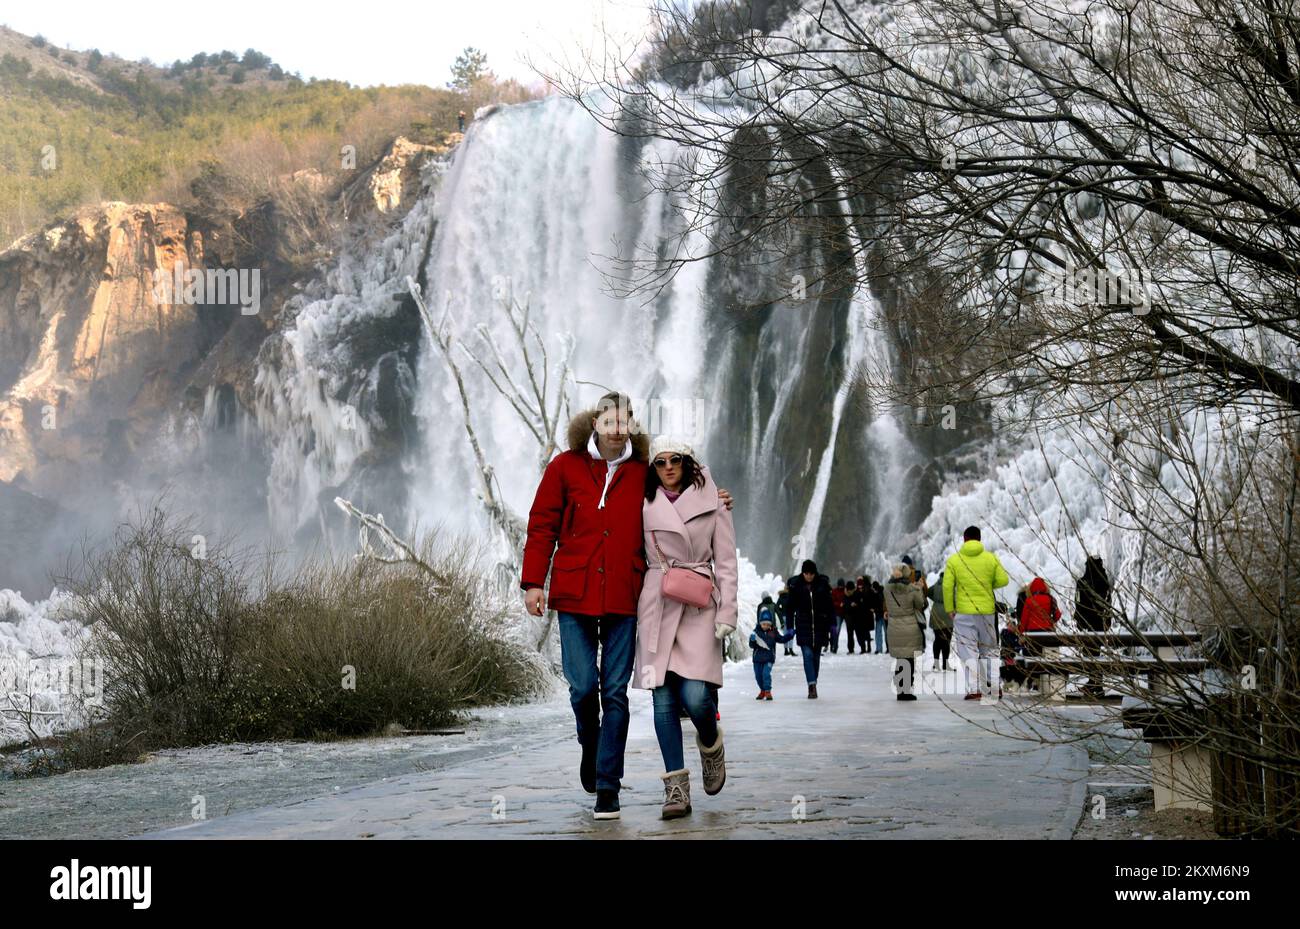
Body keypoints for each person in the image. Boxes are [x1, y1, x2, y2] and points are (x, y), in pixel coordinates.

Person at [521, 393, 732, 821]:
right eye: (609, 421)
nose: (617, 429)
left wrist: (716, 495)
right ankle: (591, 744)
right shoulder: (565, 466)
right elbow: (542, 523)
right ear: (594, 423)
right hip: (575, 593)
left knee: (614, 692)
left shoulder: (643, 471)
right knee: (582, 689)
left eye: (624, 421)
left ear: (632, 424)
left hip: (625, 595)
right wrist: (532, 582)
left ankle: (607, 787)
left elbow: (686, 482)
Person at [635, 437, 738, 820]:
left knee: (696, 697)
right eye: (659, 462)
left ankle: (710, 743)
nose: (667, 467)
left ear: (688, 461)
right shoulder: (642, 503)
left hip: (698, 606)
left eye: (675, 459)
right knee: (662, 700)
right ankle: (676, 789)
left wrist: (728, 611)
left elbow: (726, 561)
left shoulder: (714, 501)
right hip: (658, 604)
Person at [943, 525, 1011, 703]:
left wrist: (950, 608)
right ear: (979, 539)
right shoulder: (990, 558)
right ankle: (995, 687)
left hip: (964, 612)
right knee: (989, 650)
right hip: (987, 611)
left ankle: (974, 689)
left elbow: (947, 586)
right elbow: (1004, 579)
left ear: (964, 539)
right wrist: (986, 585)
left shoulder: (954, 560)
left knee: (968, 650)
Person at [785, 559, 834, 698]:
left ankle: (813, 680)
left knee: (816, 657)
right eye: (806, 573)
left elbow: (829, 606)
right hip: (803, 626)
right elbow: (789, 608)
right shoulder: (796, 586)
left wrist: (833, 624)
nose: (809, 576)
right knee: (807, 655)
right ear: (803, 573)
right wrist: (789, 627)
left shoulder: (822, 584)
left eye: (811, 573)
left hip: (820, 626)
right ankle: (811, 685)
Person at [884, 564, 928, 700]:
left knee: (900, 659)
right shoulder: (911, 589)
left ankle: (900, 688)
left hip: (893, 627)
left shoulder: (886, 589)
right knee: (909, 660)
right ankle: (906, 690)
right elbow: (921, 605)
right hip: (910, 627)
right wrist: (919, 588)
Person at [1074, 555, 1112, 698]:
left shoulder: (1082, 582)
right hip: (1100, 623)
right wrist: (1108, 619)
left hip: (1086, 623)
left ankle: (1094, 684)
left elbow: (1077, 602)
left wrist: (1078, 618)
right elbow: (1109, 603)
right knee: (1095, 653)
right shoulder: (1105, 582)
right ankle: (1095, 684)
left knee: (1090, 653)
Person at [750, 595, 794, 700]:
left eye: (767, 624)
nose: (765, 626)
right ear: (760, 623)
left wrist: (789, 635)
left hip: (769, 658)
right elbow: (752, 646)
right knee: (758, 677)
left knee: (766, 675)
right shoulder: (756, 632)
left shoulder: (773, 632)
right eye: (763, 624)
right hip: (757, 658)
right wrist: (752, 640)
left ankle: (768, 691)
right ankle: (762, 690)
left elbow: (781, 639)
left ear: (770, 624)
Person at [928, 570, 954, 671]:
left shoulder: (935, 586)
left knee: (938, 640)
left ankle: (936, 663)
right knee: (946, 640)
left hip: (936, 614)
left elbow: (928, 592)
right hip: (948, 614)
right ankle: (945, 664)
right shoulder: (950, 586)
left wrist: (936, 599)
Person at [854, 575, 874, 653]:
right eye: (859, 586)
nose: (860, 587)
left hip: (866, 615)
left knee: (866, 632)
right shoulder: (856, 593)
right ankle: (863, 648)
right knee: (861, 633)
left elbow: (871, 601)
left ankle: (868, 646)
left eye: (861, 586)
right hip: (859, 615)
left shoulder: (868, 591)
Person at [776, 585, 795, 656]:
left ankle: (786, 650)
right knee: (791, 632)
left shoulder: (781, 596)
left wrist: (781, 611)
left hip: (784, 616)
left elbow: (777, 607)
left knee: (785, 633)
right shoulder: (792, 596)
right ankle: (791, 649)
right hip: (790, 616)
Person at [829, 579, 847, 654]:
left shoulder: (845, 590)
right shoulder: (834, 591)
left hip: (845, 612)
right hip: (837, 613)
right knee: (837, 630)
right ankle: (834, 646)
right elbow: (832, 601)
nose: (841, 587)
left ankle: (834, 646)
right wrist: (839, 604)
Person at [842, 579, 859, 653]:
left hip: (856, 615)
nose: (851, 592)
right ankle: (850, 649)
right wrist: (850, 605)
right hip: (848, 616)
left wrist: (855, 604)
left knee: (858, 632)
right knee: (850, 633)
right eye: (850, 590)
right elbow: (844, 605)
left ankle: (863, 647)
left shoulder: (856, 593)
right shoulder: (844, 595)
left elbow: (858, 602)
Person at [871, 580, 887, 655]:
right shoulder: (880, 593)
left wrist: (874, 609)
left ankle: (880, 648)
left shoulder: (880, 594)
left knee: (880, 633)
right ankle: (882, 648)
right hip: (881, 615)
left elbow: (882, 606)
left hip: (883, 615)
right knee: (880, 632)